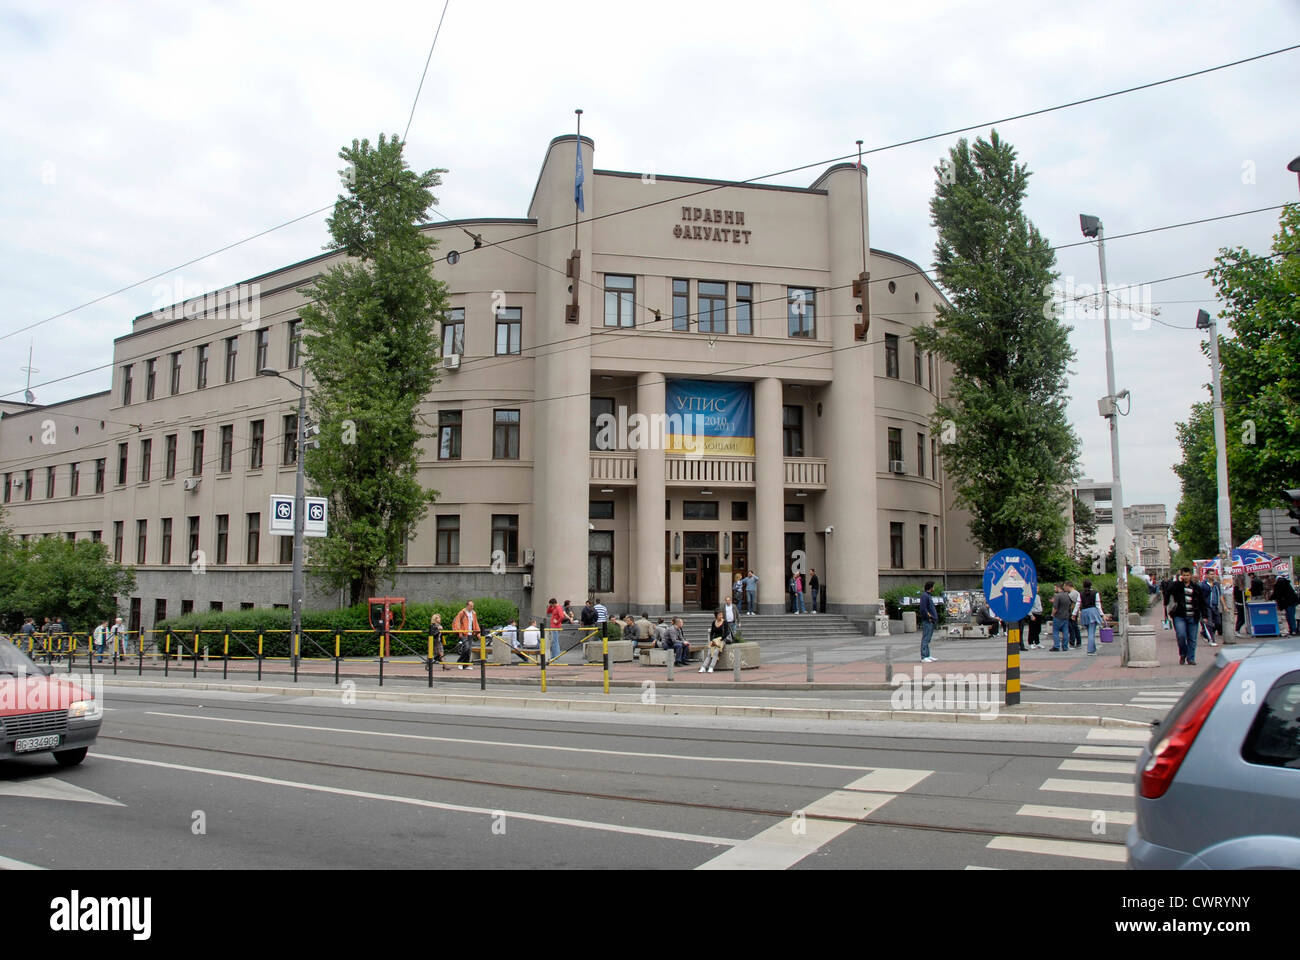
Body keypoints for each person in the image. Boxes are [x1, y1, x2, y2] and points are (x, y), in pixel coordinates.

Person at [1166, 567, 1206, 666]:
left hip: (1193, 615)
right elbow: (1168, 591)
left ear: (1191, 575)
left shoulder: (1196, 587)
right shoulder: (1177, 586)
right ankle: (1183, 654)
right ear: (1181, 575)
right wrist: (1177, 582)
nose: (1186, 577)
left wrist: (1204, 615)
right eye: (1184, 575)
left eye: (1187, 575)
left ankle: (1191, 658)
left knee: (1192, 638)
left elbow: (1202, 602)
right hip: (1179, 615)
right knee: (1181, 635)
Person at [451, 600, 480, 670]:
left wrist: (478, 633)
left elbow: (476, 623)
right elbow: (457, 622)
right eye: (471, 606)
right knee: (466, 647)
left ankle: (466, 664)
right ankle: (460, 662)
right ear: (467, 605)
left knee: (469, 649)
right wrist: (459, 632)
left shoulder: (474, 613)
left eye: (473, 606)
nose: (472, 607)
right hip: (464, 633)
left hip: (470, 633)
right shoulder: (462, 613)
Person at [1079, 579, 1104, 655]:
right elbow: (1098, 605)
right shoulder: (1095, 593)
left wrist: (1074, 614)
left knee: (1089, 632)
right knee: (1091, 632)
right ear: (1091, 585)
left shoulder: (1080, 594)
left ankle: (1093, 648)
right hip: (1093, 612)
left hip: (1084, 612)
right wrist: (1102, 614)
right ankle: (1090, 650)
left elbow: (1078, 604)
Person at [919, 581, 938, 664]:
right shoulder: (925, 596)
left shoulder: (928, 596)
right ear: (930, 587)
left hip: (931, 620)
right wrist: (929, 617)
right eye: (933, 586)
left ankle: (928, 655)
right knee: (925, 638)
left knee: (928, 638)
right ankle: (924, 656)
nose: (934, 588)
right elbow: (923, 608)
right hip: (928, 620)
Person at [1050, 584, 1071, 652]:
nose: (1054, 589)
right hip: (1066, 616)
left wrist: (1052, 614)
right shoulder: (1067, 595)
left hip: (1058, 616)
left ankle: (1056, 646)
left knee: (1055, 631)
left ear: (1058, 588)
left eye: (1055, 588)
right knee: (1065, 632)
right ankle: (1065, 646)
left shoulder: (1057, 596)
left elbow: (1055, 608)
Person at [1066, 582, 1082, 648]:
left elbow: (1068, 602)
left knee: (1073, 627)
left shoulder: (1072, 594)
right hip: (1074, 612)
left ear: (1068, 586)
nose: (1064, 588)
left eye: (1065, 586)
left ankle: (1072, 642)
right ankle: (1078, 642)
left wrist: (1073, 614)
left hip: (1072, 612)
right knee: (1075, 627)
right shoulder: (1076, 592)